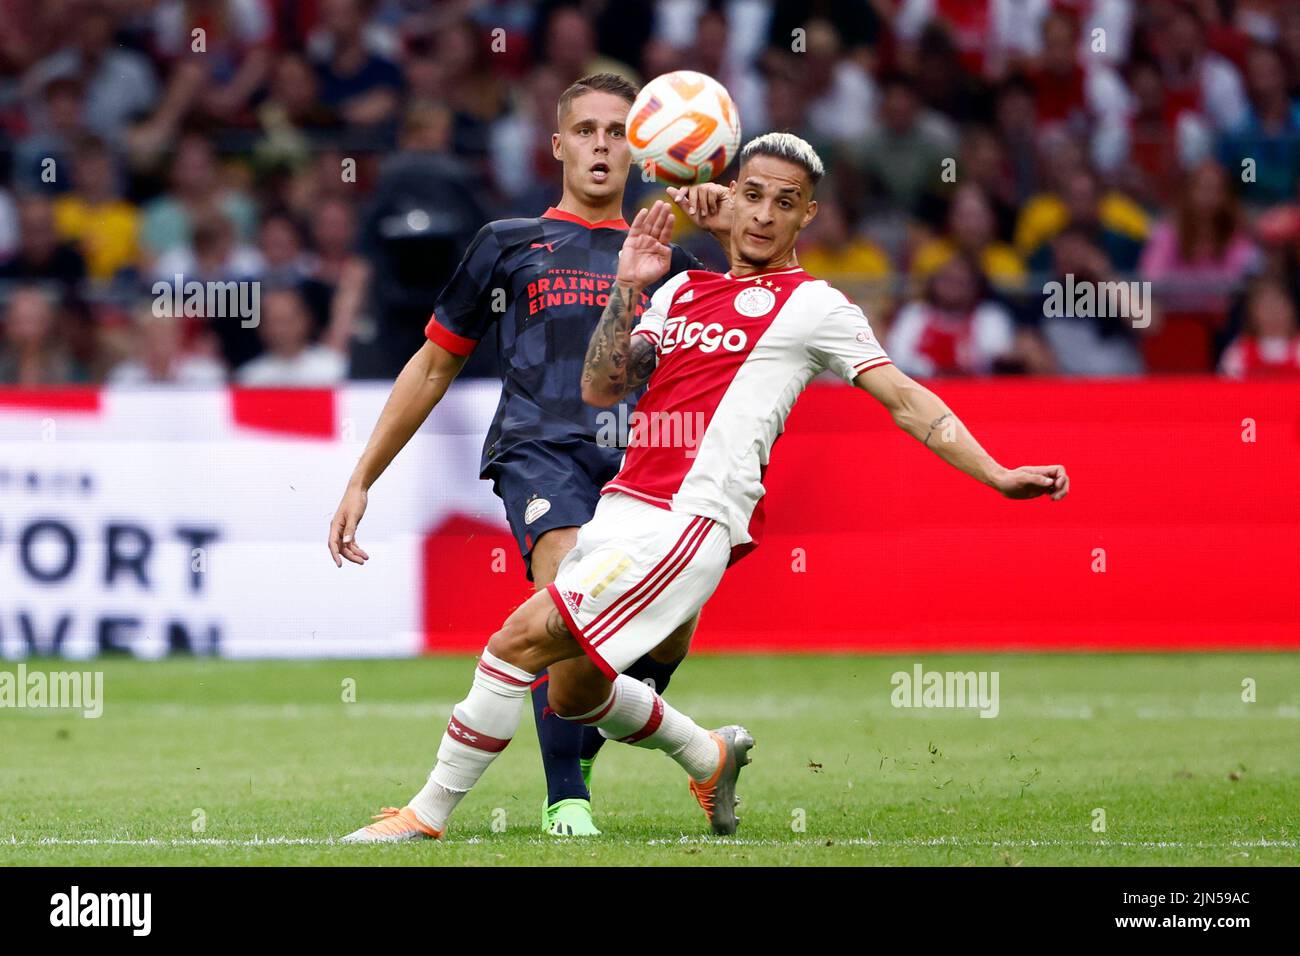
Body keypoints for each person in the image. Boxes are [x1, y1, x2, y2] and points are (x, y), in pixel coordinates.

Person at [338, 132, 1069, 843]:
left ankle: (425, 815)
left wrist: (996, 471)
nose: (762, 214)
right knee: (573, 692)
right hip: (621, 509)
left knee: (517, 639)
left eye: (784, 202)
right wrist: (627, 286)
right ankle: (706, 754)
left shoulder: (817, 307)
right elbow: (601, 386)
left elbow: (909, 400)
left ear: (805, 217)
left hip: (689, 518)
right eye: (751, 195)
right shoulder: (682, 289)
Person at [326, 73, 731, 837]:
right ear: (558, 145)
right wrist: (362, 477)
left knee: (627, 653)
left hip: (646, 471)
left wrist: (725, 212)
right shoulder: (508, 243)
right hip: (541, 453)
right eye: (586, 130)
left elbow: (754, 311)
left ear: (640, 147)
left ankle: (705, 754)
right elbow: (433, 363)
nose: (602, 144)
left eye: (618, 131)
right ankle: (564, 800)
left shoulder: (676, 265)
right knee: (570, 603)